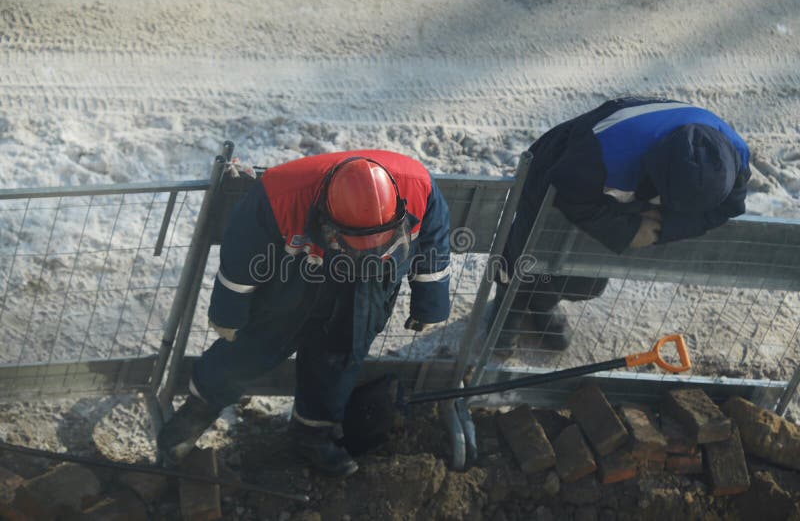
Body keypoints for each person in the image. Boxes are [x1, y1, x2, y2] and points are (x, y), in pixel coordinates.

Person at [157, 150, 451, 478]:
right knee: (249, 349)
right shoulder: (279, 196)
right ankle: (195, 415)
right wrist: (229, 313)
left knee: (339, 358)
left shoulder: (419, 187)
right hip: (296, 280)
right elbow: (241, 257)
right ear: (326, 218)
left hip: (366, 287)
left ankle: (311, 436)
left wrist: (431, 301)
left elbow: (434, 244)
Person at [497, 97, 751, 350]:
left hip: (616, 193)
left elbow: (730, 207)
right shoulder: (606, 149)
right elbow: (569, 194)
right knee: (526, 249)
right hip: (556, 170)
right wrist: (628, 230)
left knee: (584, 282)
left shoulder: (734, 158)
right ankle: (509, 304)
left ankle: (543, 301)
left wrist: (664, 227)